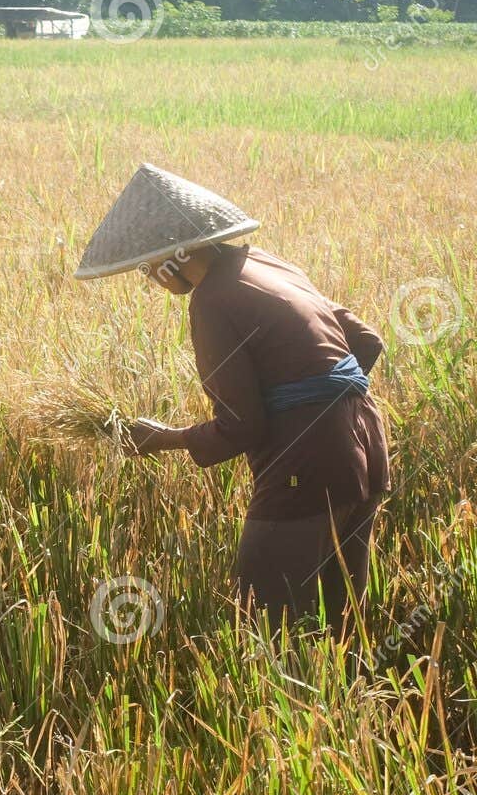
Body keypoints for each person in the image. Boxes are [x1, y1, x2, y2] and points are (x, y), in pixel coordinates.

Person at [74, 164, 390, 632]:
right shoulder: (266, 262)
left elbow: (243, 425)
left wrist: (162, 439)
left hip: (306, 471)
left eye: (147, 268)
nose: (150, 280)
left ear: (173, 258)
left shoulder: (212, 301)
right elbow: (367, 342)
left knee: (267, 626)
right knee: (344, 629)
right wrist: (321, 407)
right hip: (366, 450)